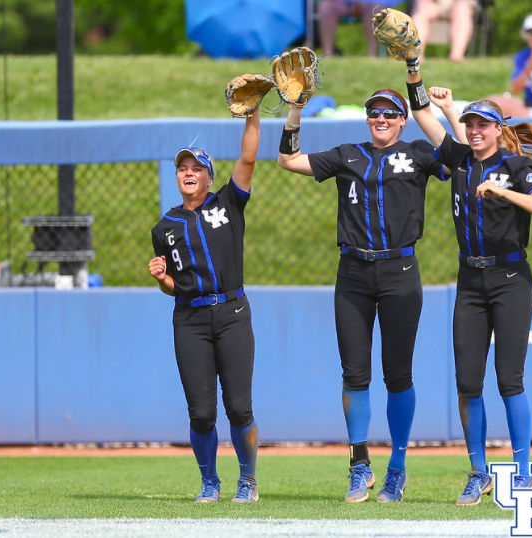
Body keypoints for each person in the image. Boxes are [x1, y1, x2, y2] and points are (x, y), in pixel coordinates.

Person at [403, 59, 532, 506]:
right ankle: (479, 473)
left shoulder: (516, 165)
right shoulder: (458, 159)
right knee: (468, 383)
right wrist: (414, 70)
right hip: (471, 280)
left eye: (482, 125)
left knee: (509, 380)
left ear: (498, 129)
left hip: (511, 279)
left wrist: (503, 190)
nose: (474, 131)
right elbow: (421, 114)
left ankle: (523, 473)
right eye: (470, 124)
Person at [276, 89, 446, 503]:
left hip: (400, 271)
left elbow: (456, 157)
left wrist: (433, 106)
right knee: (354, 374)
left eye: (390, 112)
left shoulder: (419, 152)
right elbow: (288, 160)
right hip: (352, 272)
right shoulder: (348, 154)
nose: (381, 118)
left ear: (403, 119)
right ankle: (359, 465)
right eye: (374, 112)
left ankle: (397, 469)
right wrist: (295, 110)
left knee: (398, 375)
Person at [148, 111, 260, 503]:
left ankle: (247, 480)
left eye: (197, 168)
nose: (189, 173)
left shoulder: (227, 202)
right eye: (183, 168)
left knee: (239, 407)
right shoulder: (164, 228)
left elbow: (248, 159)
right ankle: (209, 481)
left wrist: (253, 116)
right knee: (200, 412)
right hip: (190, 318)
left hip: (232, 314)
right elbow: (173, 287)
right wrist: (161, 279)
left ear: (209, 177)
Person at [317, 0, 401, 58]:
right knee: (326, 8)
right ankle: (327, 56)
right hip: (339, 3)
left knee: (373, 7)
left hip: (365, 3)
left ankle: (372, 57)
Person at [410, 0, 478, 62]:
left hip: (459, 3)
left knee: (462, 11)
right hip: (432, 3)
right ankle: (417, 56)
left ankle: (457, 56)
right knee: (420, 12)